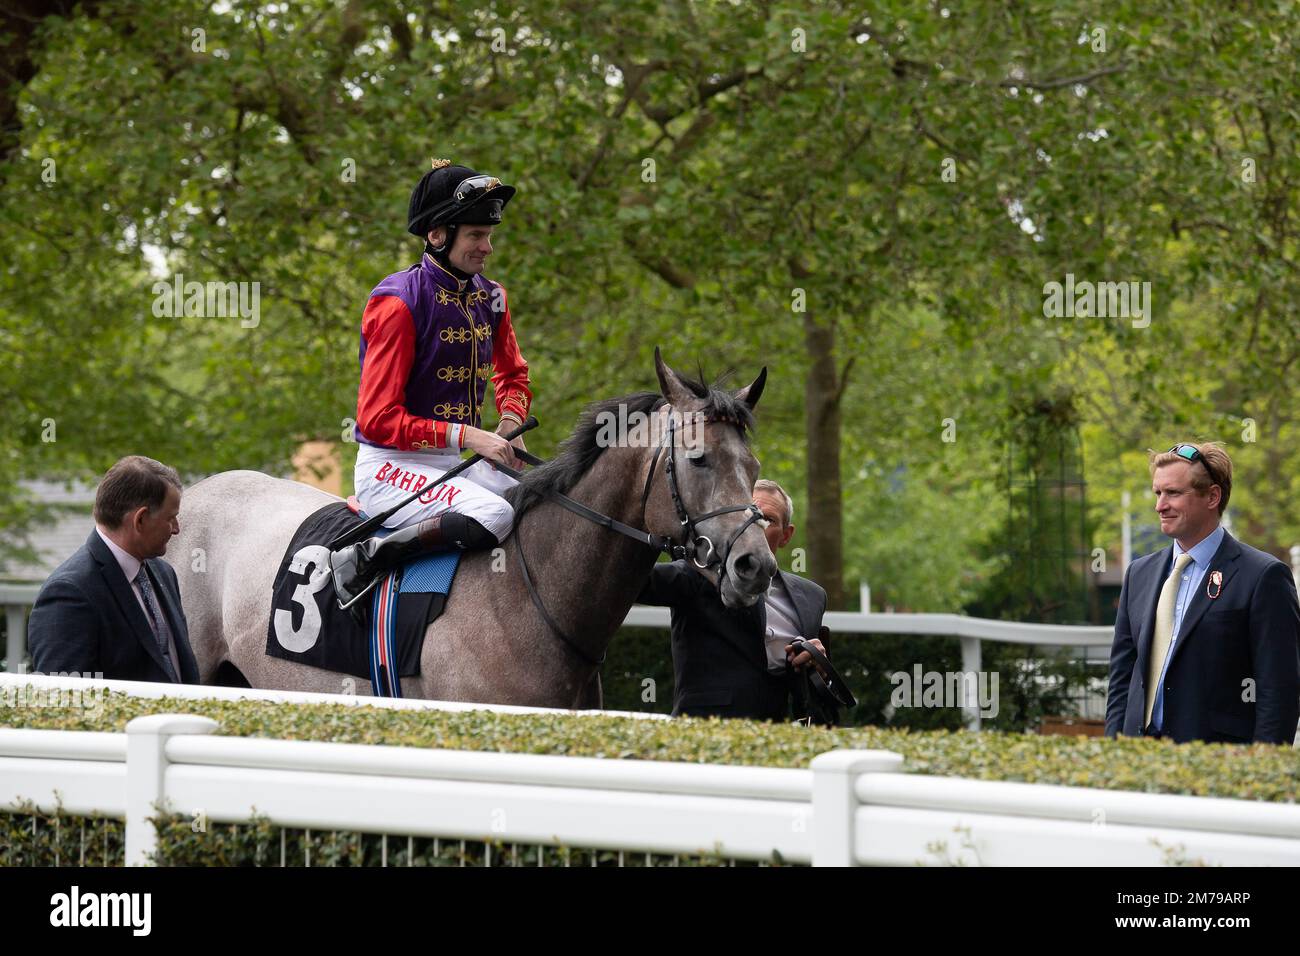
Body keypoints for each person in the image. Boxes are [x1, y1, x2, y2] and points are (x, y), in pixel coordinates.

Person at [331, 159, 533, 605]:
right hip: (389, 465)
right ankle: (366, 554)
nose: (488, 248)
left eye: (489, 235)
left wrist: (510, 425)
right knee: (495, 515)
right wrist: (468, 435)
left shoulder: (492, 296)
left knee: (542, 500)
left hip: (449, 464)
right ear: (438, 235)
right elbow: (377, 419)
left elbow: (513, 374)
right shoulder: (398, 301)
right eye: (476, 236)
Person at [1106, 442, 1300, 744]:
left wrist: (1262, 768)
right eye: (1158, 493)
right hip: (1137, 760)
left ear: (1212, 496)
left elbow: (1279, 690)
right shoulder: (1138, 574)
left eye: (1173, 493)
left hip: (1216, 765)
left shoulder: (1264, 576)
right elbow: (1122, 677)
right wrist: (1113, 749)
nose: (1160, 505)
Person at [638, 478, 831, 720]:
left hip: (780, 735)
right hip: (707, 730)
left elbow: (816, 689)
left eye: (767, 519)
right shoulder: (699, 574)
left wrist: (819, 666)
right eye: (747, 515)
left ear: (785, 535)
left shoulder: (813, 596)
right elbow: (632, 583)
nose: (755, 526)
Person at [27, 456, 198, 683]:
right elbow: (65, 702)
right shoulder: (69, 593)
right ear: (140, 519)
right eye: (171, 518)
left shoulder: (164, 574)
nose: (176, 529)